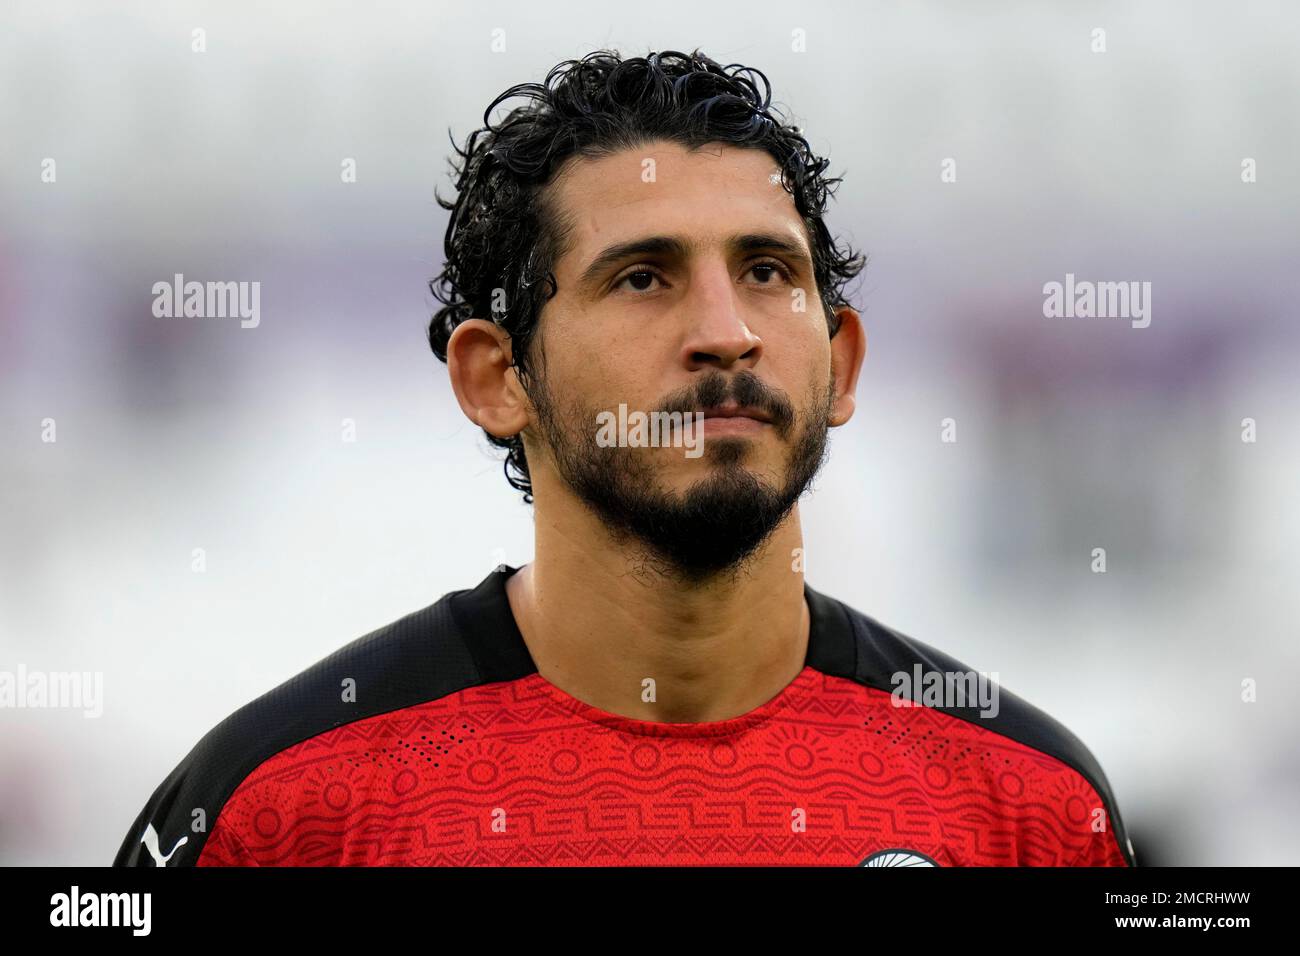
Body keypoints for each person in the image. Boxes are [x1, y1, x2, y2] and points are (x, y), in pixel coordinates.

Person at [114, 48, 1134, 867]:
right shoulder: (284, 811)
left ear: (840, 360)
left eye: (768, 271)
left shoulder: (1026, 809)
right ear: (495, 375)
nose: (726, 333)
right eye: (643, 277)